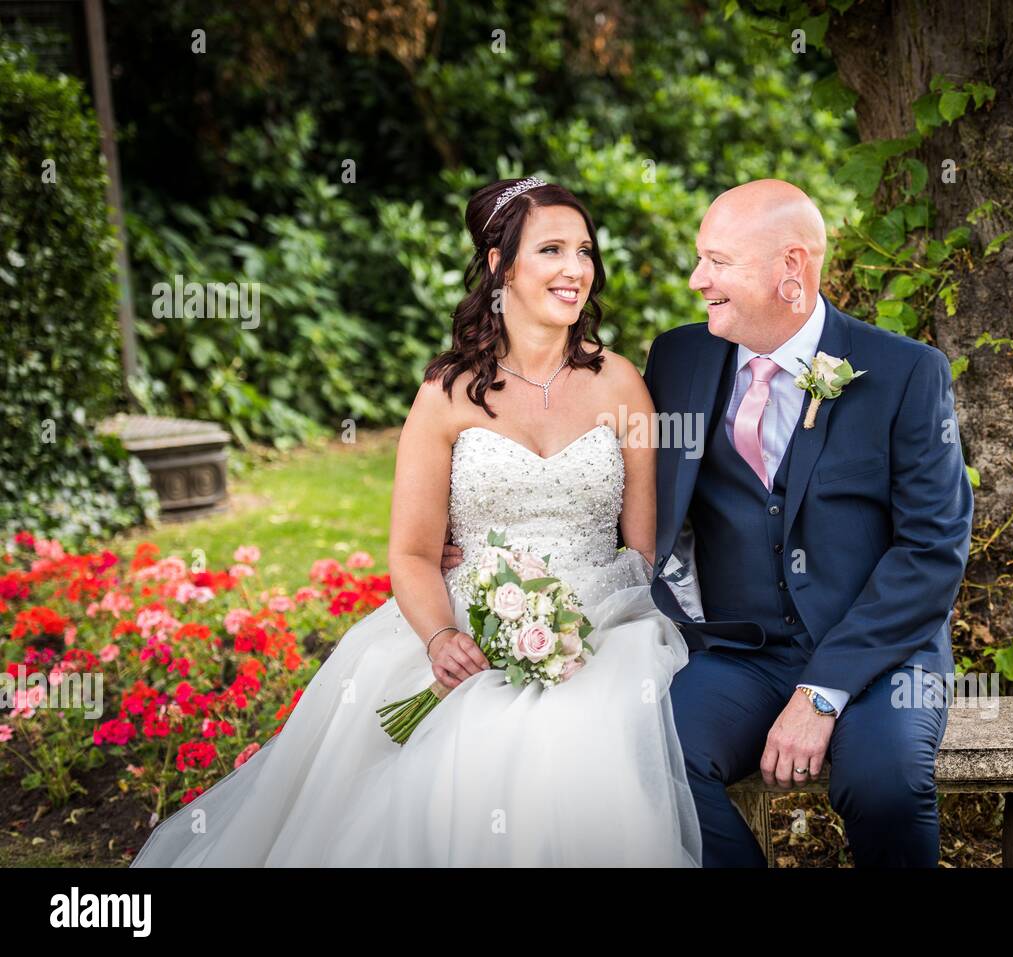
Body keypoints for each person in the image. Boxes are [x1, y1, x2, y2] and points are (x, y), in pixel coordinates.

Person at [129, 177, 703, 867]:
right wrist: (439, 637)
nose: (575, 269)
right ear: (500, 265)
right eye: (551, 249)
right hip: (465, 617)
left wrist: (576, 627)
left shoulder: (620, 383)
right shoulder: (446, 395)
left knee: (577, 745)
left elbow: (641, 550)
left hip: (603, 621)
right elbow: (410, 552)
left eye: (583, 250)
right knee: (450, 758)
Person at [643, 179, 974, 866]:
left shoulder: (907, 373)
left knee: (884, 783)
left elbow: (933, 548)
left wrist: (822, 693)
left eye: (717, 261)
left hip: (884, 657)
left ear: (790, 268)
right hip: (744, 650)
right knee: (654, 757)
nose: (696, 279)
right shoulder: (679, 359)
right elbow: (623, 480)